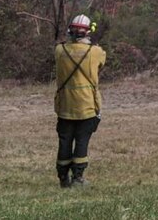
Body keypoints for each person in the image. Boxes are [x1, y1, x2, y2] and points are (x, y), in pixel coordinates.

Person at [54, 14, 106, 188]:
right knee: (82, 141)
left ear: (70, 30)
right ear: (87, 31)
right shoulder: (96, 52)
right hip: (87, 105)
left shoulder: (59, 50)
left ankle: (63, 178)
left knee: (64, 141)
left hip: (65, 106)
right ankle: (78, 178)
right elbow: (101, 63)